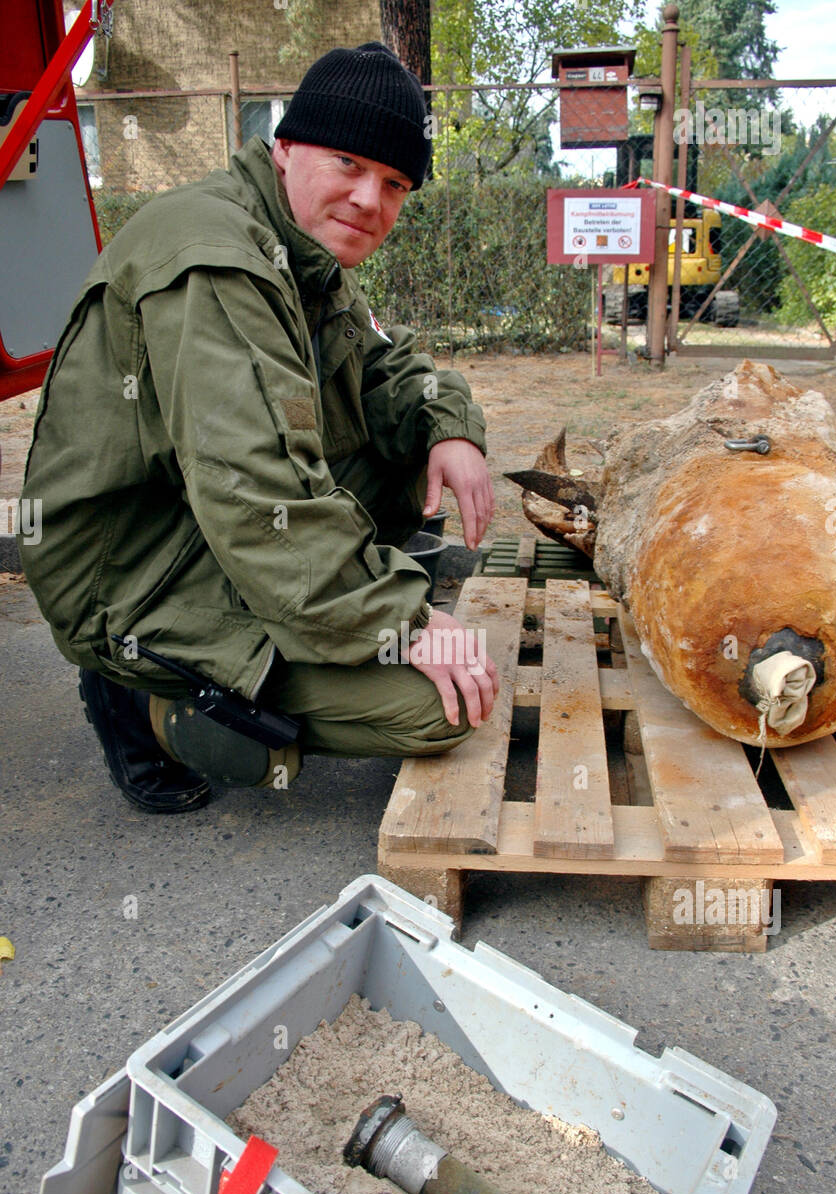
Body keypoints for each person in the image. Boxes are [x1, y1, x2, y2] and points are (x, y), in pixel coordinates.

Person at [20, 41, 499, 813]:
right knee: (433, 712)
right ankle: (145, 699)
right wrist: (408, 624)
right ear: (286, 148)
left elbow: (381, 363)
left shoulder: (299, 249)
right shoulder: (218, 259)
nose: (370, 200)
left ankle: (309, 613)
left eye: (395, 183)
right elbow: (258, 496)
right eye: (348, 163)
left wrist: (450, 430)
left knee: (407, 456)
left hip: (196, 523)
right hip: (133, 576)